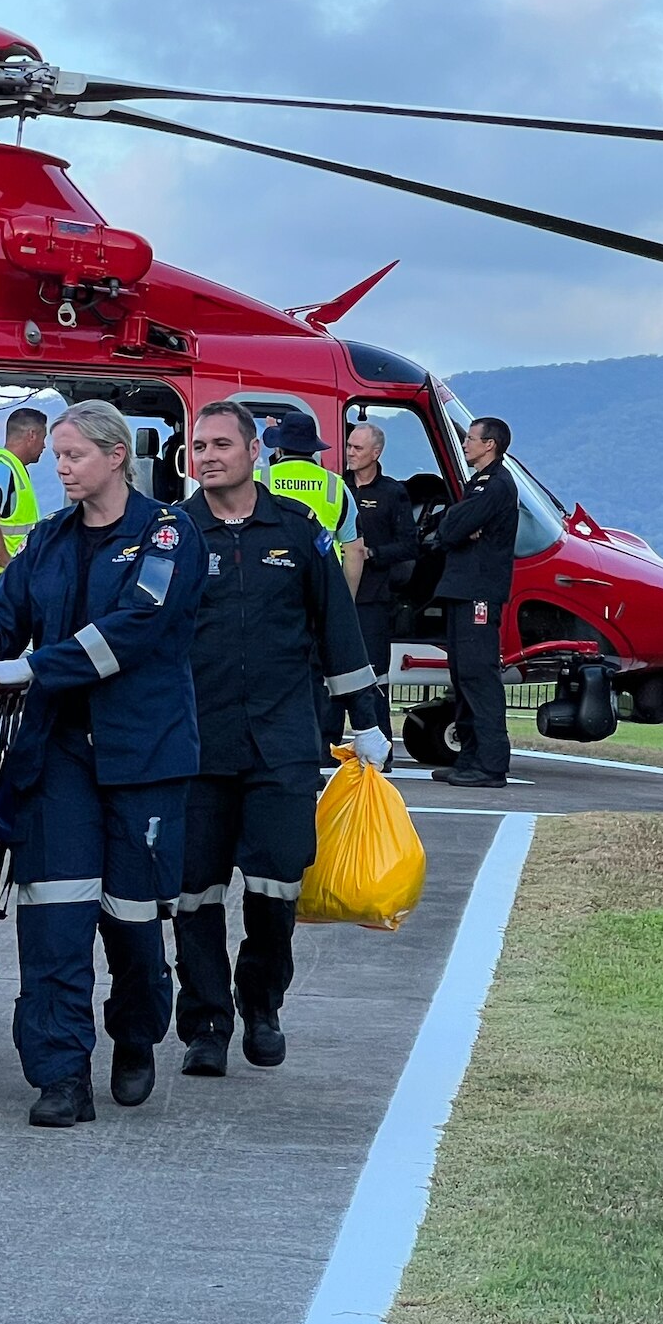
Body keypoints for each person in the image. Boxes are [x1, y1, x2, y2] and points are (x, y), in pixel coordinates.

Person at [0, 402, 205, 1127]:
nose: (60, 467)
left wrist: (33, 670)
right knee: (52, 924)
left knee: (134, 924)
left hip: (142, 758)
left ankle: (138, 1032)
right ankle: (60, 1076)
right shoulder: (48, 540)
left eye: (74, 455)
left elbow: (139, 627)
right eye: (55, 456)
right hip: (57, 760)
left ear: (117, 456)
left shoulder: (169, 534)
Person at [176, 401, 380, 1077]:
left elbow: (338, 629)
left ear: (253, 453)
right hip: (197, 747)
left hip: (281, 745)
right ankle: (206, 1023)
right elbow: (140, 632)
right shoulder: (174, 536)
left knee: (274, 891)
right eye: (198, 446)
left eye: (220, 445)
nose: (207, 456)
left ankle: (261, 1004)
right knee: (194, 894)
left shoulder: (298, 533)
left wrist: (370, 721)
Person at [432, 415, 518, 789]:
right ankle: (468, 757)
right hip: (461, 588)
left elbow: (450, 529)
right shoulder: (477, 484)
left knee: (478, 675)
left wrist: (458, 526)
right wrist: (458, 525)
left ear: (490, 445)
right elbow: (453, 527)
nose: (465, 444)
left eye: (470, 439)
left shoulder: (496, 485)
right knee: (461, 676)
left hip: (478, 592)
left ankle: (491, 763)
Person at [341, 421, 418, 747]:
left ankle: (379, 746)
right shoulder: (337, 486)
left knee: (374, 675)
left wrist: (371, 553)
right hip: (339, 594)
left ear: (376, 453)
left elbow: (409, 545)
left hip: (373, 597)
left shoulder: (392, 492)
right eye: (349, 447)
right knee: (329, 674)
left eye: (357, 448)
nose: (350, 453)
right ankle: (323, 749)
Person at [259, 409, 362, 597]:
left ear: (280, 447)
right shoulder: (336, 486)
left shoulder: (258, 480)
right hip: (323, 583)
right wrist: (346, 603)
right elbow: (355, 550)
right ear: (314, 449)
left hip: (269, 583)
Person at [0, 406, 48, 572]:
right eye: (43, 438)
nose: (44, 446)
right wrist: (11, 567)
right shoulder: (1, 469)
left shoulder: (9, 467)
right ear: (32, 435)